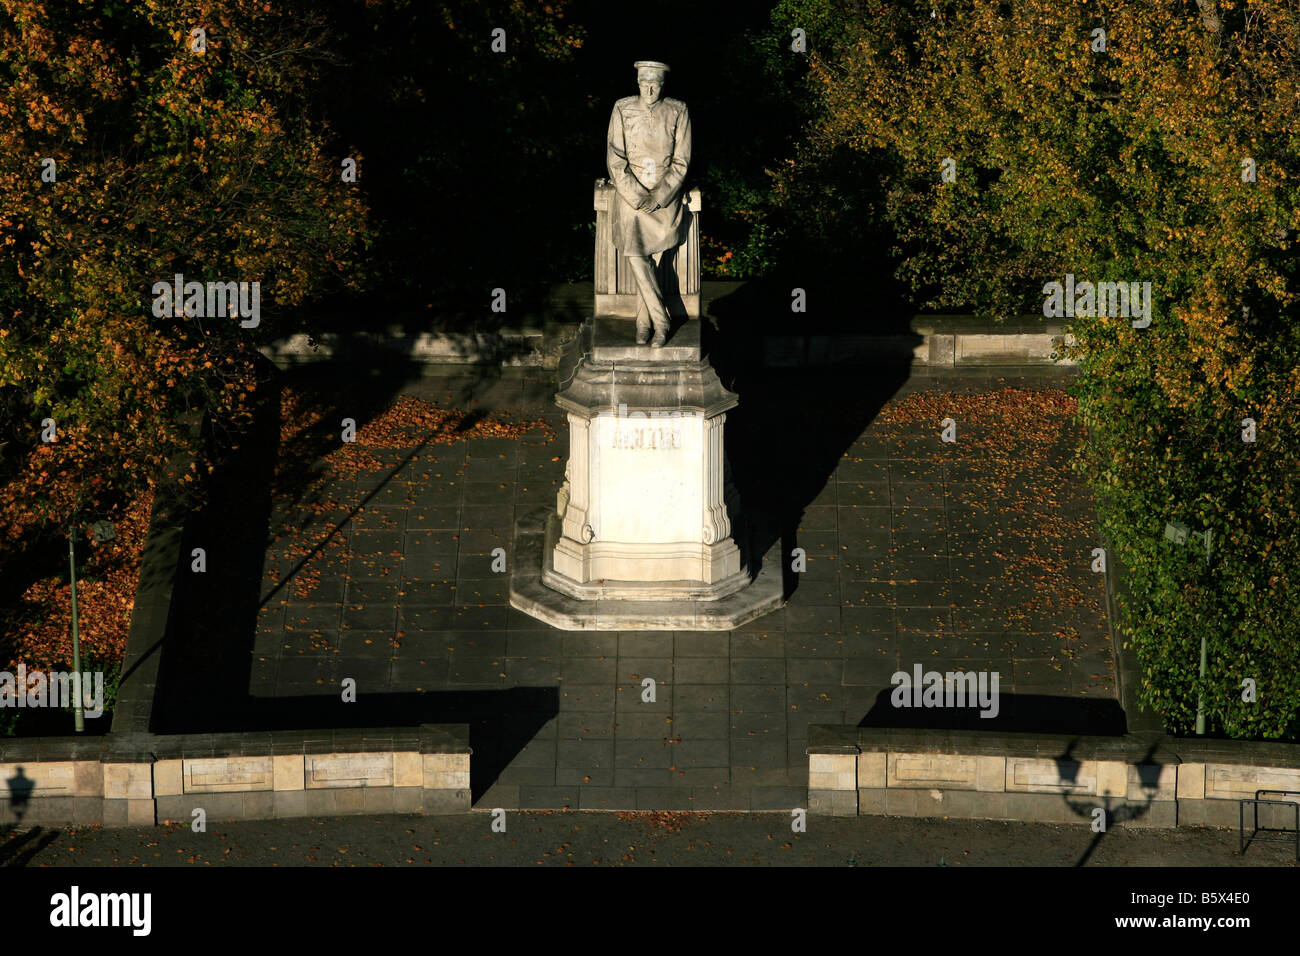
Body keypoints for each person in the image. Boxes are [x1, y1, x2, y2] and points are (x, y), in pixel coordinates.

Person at [606, 60, 692, 347]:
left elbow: (682, 160)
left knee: (654, 259)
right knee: (635, 255)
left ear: (663, 85)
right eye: (644, 84)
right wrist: (636, 195)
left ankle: (645, 324)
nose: (650, 90)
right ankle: (662, 321)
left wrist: (658, 196)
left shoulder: (678, 110)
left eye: (655, 84)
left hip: (664, 199)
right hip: (631, 199)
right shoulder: (622, 108)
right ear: (638, 84)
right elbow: (615, 159)